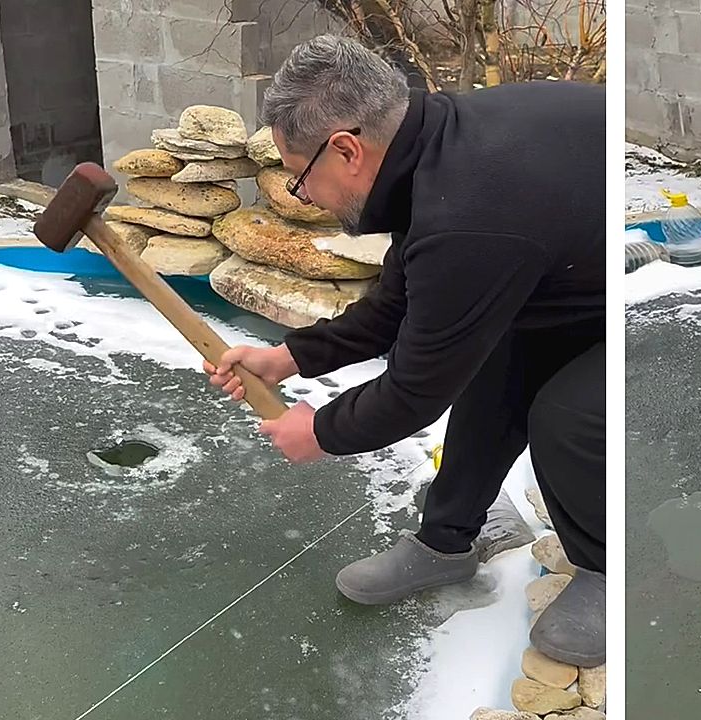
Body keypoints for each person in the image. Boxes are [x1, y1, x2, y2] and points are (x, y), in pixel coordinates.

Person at [202, 35, 606, 667]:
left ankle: (604, 571)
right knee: (494, 369)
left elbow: (417, 388)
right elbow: (398, 302)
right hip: (566, 268)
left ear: (346, 149)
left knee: (568, 415)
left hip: (616, 303)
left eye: (300, 174)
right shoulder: (434, 152)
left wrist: (322, 430)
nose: (302, 196)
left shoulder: (469, 210)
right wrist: (289, 357)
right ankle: (446, 543)